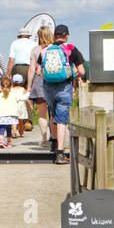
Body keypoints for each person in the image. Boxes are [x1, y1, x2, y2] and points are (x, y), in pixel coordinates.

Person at [31, 23, 87, 164]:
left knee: (52, 114)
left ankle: (54, 143)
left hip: (48, 88)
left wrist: (49, 77)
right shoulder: (71, 49)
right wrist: (69, 74)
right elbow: (82, 71)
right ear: (66, 36)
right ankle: (60, 153)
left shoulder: (45, 50)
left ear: (55, 36)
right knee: (62, 120)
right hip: (64, 87)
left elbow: (38, 72)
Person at [27, 26, 52, 146]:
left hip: (40, 82)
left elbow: (31, 69)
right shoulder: (55, 48)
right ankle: (55, 137)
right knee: (53, 112)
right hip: (54, 82)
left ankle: (44, 138)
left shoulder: (36, 50)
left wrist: (29, 86)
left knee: (42, 113)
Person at [0, 71, 26, 148]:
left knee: (1, 129)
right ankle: (9, 142)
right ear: (11, 86)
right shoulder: (13, 95)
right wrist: (29, 92)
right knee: (9, 129)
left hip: (1, 115)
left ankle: (1, 141)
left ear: (1, 86)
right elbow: (22, 98)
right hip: (10, 115)